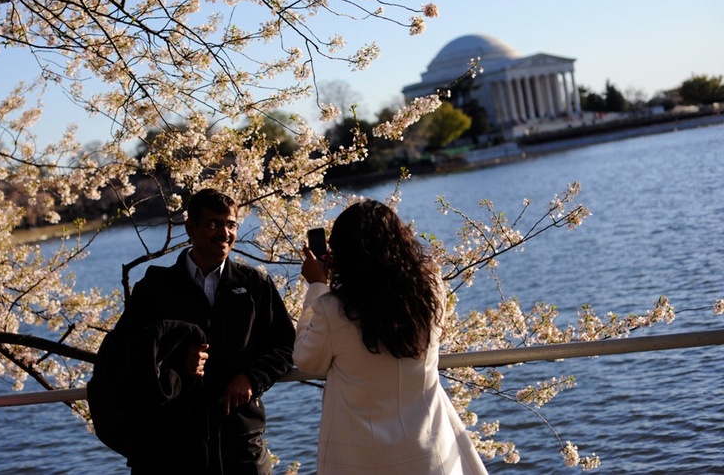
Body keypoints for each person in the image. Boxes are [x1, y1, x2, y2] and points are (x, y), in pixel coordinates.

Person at [89, 188, 295, 474]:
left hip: (240, 438)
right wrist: (176, 366)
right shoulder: (154, 288)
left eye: (231, 224)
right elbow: (123, 356)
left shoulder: (254, 284)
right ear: (190, 228)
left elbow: (285, 346)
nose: (224, 233)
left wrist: (251, 376)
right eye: (213, 224)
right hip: (174, 442)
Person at [293, 199, 488, 475]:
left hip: (363, 458)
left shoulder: (332, 308)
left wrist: (316, 286)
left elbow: (306, 361)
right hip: (430, 449)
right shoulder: (431, 293)